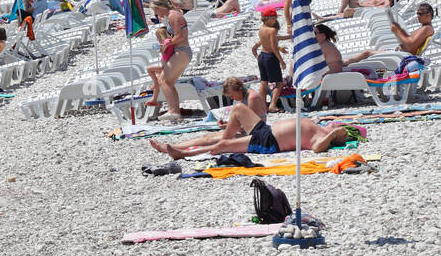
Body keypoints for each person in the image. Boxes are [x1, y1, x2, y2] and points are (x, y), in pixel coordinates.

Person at [150, 110, 362, 158]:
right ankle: (178, 145)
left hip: (269, 142)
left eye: (339, 129)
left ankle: (182, 153)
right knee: (239, 109)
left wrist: (334, 136)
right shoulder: (323, 127)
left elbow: (317, 149)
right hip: (266, 131)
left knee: (222, 145)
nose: (336, 126)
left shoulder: (323, 138)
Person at [345, 3, 434, 63]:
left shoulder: (426, 28)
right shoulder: (424, 27)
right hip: (399, 53)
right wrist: (398, 29)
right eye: (417, 13)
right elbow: (409, 41)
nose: (417, 16)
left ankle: (345, 64)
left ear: (429, 15)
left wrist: (397, 31)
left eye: (420, 14)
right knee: (367, 53)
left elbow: (409, 45)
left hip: (401, 56)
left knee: (367, 53)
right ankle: (346, 63)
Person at [150, 0, 191, 120]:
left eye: (155, 10)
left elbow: (181, 36)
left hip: (182, 51)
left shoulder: (173, 16)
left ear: (160, 7)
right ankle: (175, 112)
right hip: (181, 52)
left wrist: (168, 44)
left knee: (162, 80)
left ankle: (172, 110)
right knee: (169, 82)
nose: (155, 14)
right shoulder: (172, 16)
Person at [252, 10, 286, 112]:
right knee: (279, 83)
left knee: (264, 82)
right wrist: (282, 61)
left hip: (262, 56)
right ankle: (272, 105)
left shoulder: (261, 28)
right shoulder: (272, 30)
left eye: (275, 18)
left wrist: (257, 56)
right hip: (270, 57)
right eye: (273, 18)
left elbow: (257, 46)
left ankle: (262, 106)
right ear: (267, 18)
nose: (275, 20)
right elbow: (274, 47)